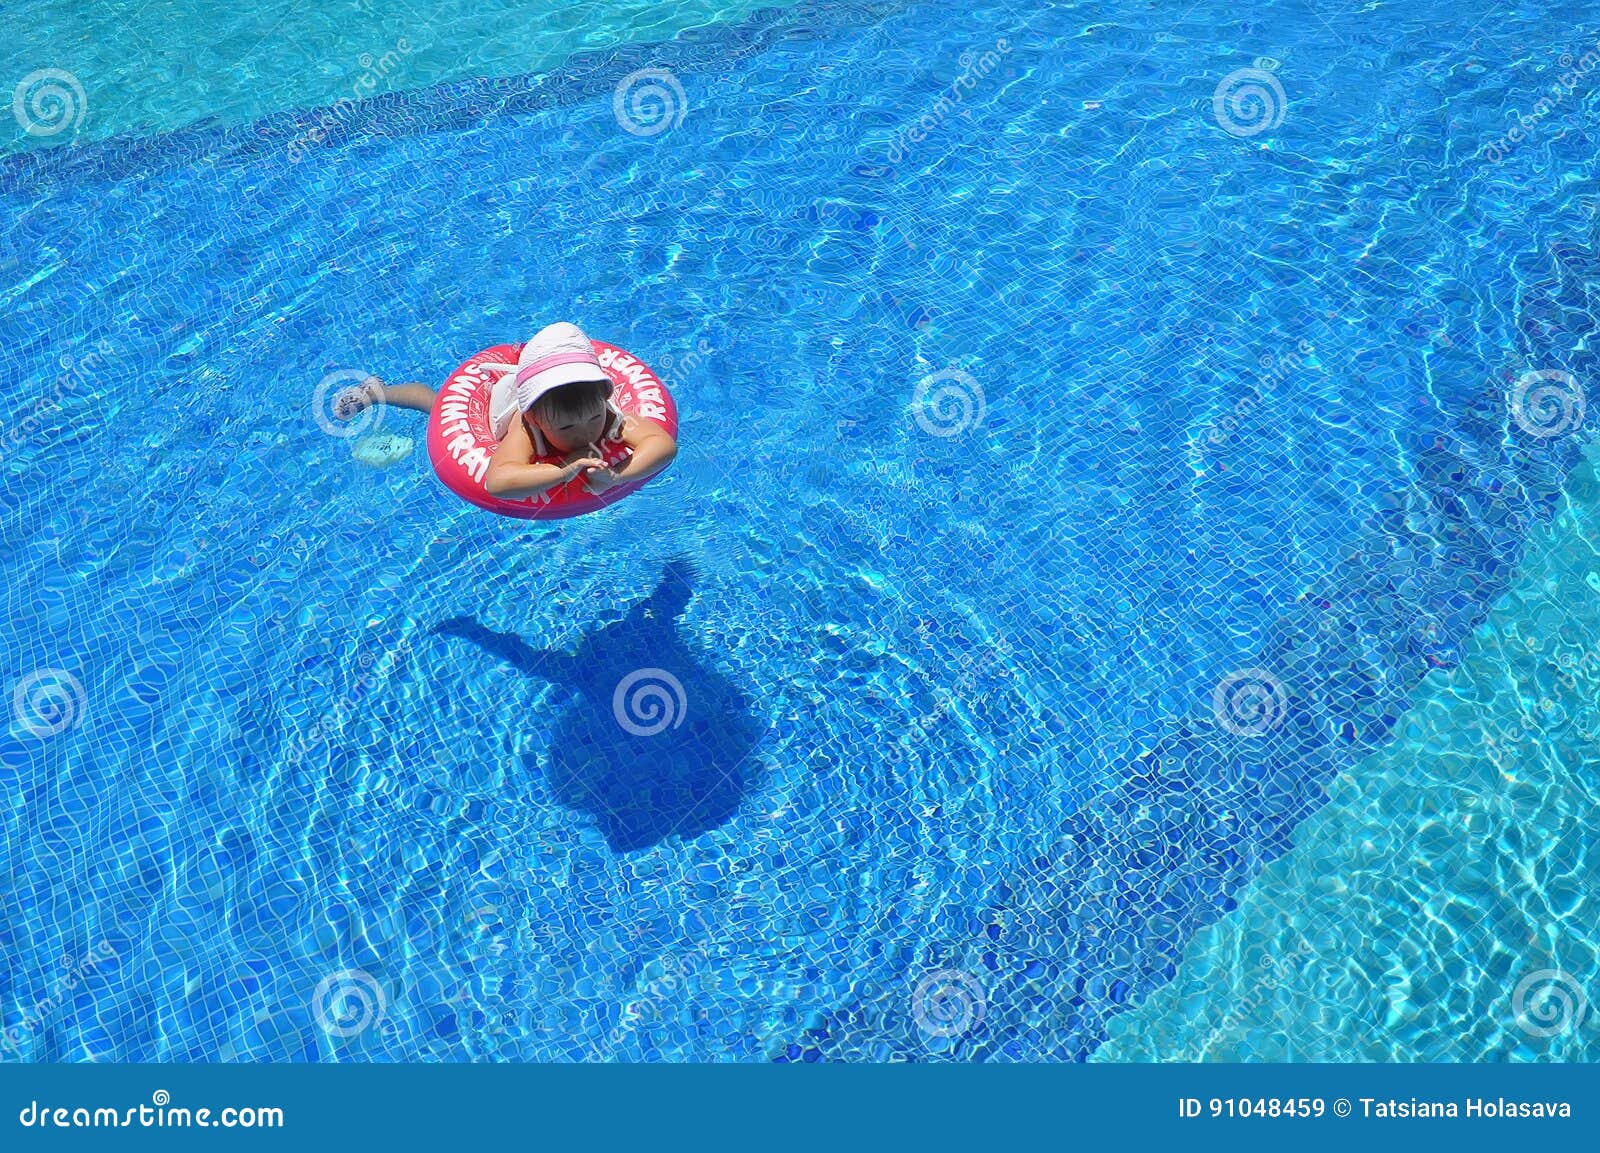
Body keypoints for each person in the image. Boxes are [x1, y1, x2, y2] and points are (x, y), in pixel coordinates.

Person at [334, 321, 677, 499]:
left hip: (543, 390)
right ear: (537, 419)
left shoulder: (605, 413)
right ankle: (378, 393)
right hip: (502, 401)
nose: (586, 433)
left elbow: (662, 445)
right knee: (434, 405)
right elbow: (498, 481)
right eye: (568, 429)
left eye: (593, 419)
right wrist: (563, 471)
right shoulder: (526, 428)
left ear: (604, 401)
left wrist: (618, 476)